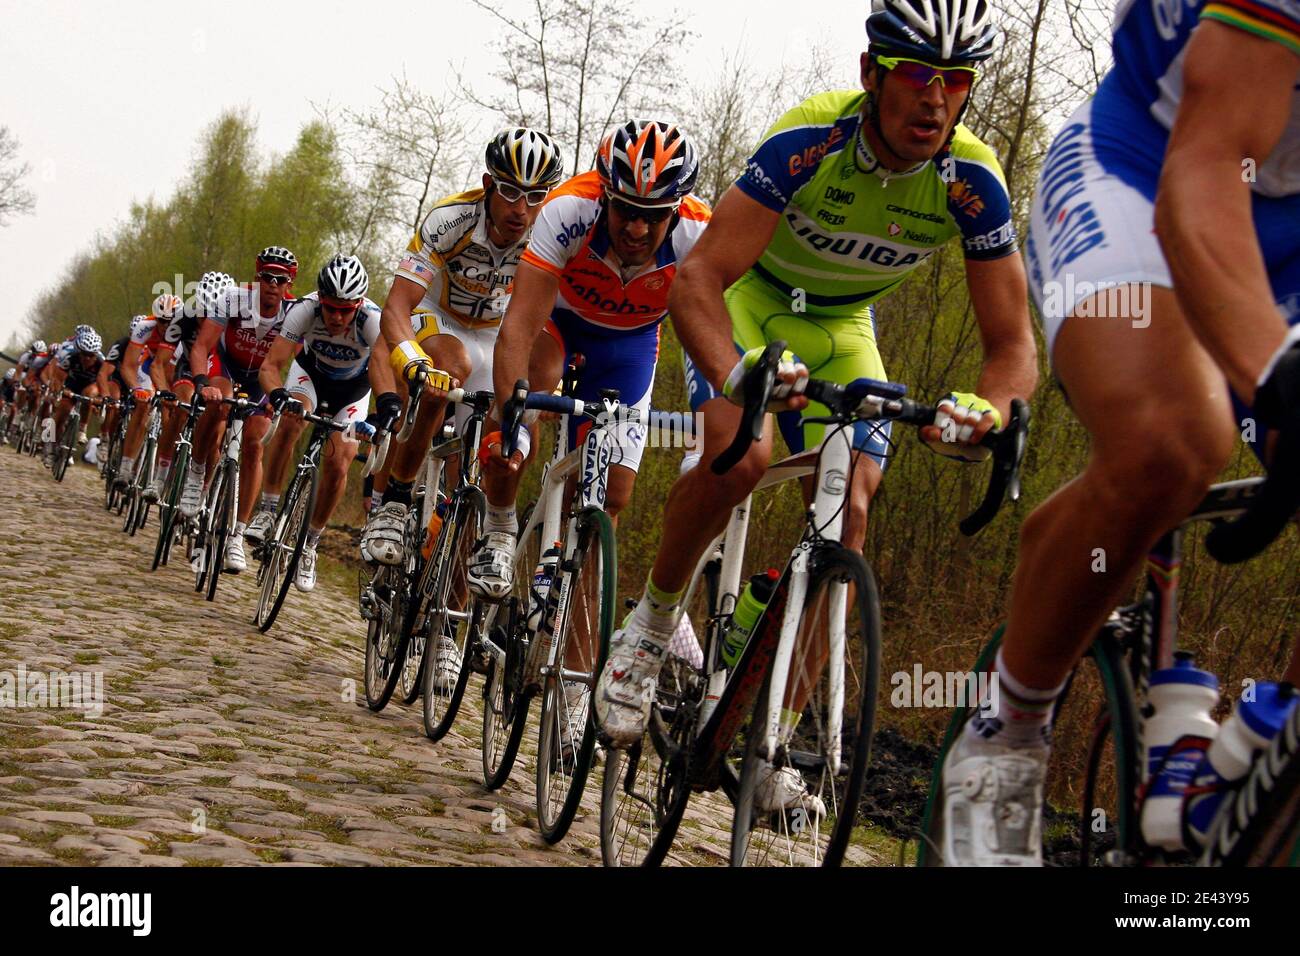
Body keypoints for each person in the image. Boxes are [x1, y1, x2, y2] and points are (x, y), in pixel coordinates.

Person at [592, 0, 1037, 819]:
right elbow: (699, 280)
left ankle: (775, 736)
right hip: (753, 306)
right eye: (916, 76)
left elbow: (1011, 344)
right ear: (872, 75)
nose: (935, 100)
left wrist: (991, 410)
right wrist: (734, 373)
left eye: (956, 81)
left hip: (844, 328)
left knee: (850, 513)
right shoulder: (811, 139)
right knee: (743, 455)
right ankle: (650, 628)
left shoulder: (972, 181)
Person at [940, 0, 1300, 866]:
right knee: (1171, 443)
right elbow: (1205, 173)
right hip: (1151, 164)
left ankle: (1258, 746)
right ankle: (1006, 736)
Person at [466, 119, 712, 601]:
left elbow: (711, 338)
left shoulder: (699, 233)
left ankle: (574, 665)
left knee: (612, 496)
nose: (637, 228)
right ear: (605, 194)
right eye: (625, 210)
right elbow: (517, 325)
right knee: (530, 389)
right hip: (559, 323)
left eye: (654, 215)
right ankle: (499, 526)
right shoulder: (569, 209)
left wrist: (706, 436)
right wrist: (510, 419)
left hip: (630, 344)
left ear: (677, 208)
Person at [362, 128, 564, 572]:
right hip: (439, 316)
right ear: (489, 184)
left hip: (497, 335)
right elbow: (396, 307)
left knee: (476, 477)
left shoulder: (549, 236)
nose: (520, 209)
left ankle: (448, 620)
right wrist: (410, 358)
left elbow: (555, 326)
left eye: (535, 197)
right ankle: (394, 502)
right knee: (447, 370)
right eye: (510, 192)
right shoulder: (451, 218)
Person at [253, 254, 400, 593]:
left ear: (358, 304)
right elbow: (271, 365)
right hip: (310, 377)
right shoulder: (303, 310)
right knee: (290, 423)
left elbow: (385, 375)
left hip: (354, 389)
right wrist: (278, 396)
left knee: (339, 461)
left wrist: (377, 419)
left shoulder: (373, 321)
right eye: (330, 307)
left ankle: (310, 545)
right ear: (320, 299)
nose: (336, 317)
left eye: (345, 310)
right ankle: (268, 508)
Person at [187, 248, 297, 572]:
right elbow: (201, 346)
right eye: (267, 277)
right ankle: (196, 475)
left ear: (289, 282)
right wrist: (200, 382)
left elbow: (298, 362)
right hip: (226, 367)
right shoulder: (233, 298)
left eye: (281, 279)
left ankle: (236, 533)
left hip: (263, 378)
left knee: (254, 444)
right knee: (218, 403)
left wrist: (287, 397)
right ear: (257, 276)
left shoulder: (294, 312)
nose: (273, 285)